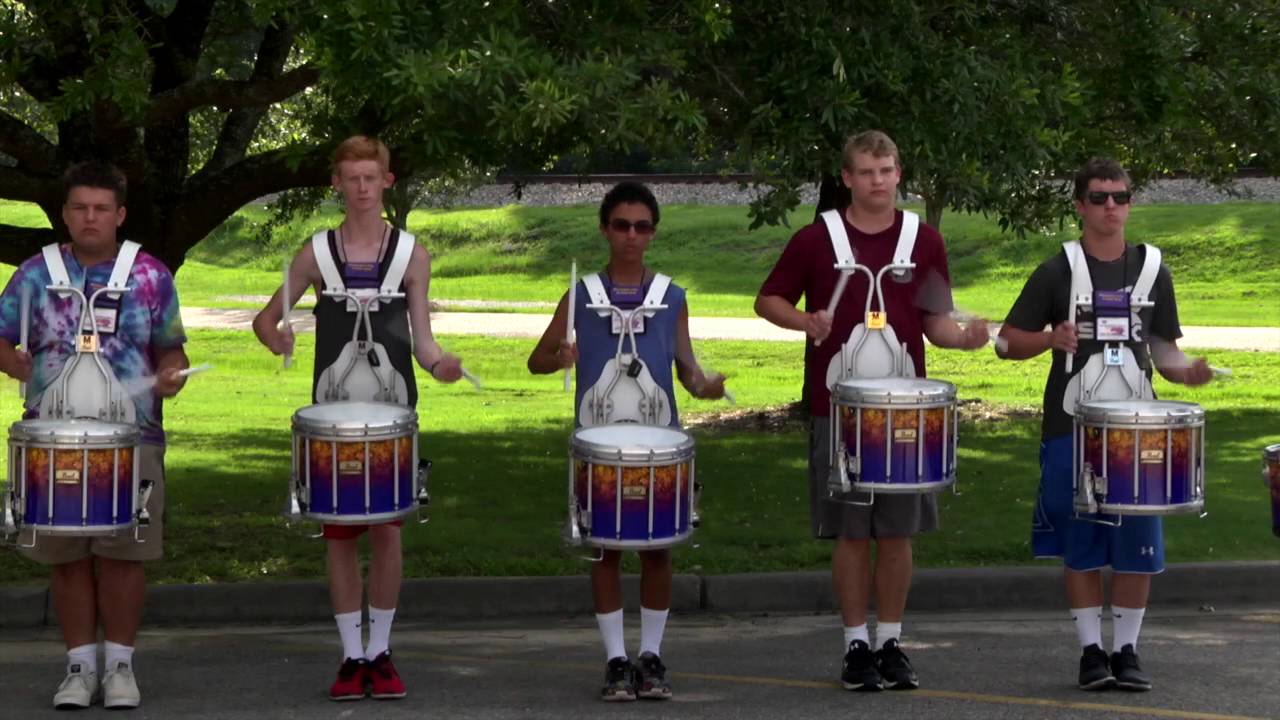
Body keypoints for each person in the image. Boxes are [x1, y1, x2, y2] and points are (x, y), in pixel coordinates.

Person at [754, 131, 988, 692]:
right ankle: (855, 644)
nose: (877, 181)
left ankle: (891, 642)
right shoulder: (817, 239)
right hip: (838, 411)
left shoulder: (923, 240)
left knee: (899, 534)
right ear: (847, 178)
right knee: (851, 534)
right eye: (865, 171)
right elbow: (768, 299)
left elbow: (934, 320)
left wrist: (963, 339)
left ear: (899, 174)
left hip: (905, 414)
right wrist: (804, 321)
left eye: (886, 170)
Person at [253, 135, 462, 701]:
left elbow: (424, 342)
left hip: (393, 414)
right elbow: (266, 319)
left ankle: (382, 651)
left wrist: (441, 365)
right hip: (333, 417)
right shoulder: (316, 253)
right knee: (339, 535)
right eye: (353, 178)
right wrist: (276, 339)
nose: (363, 188)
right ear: (337, 183)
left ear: (387, 181)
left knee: (388, 532)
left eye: (372, 177)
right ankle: (351, 656)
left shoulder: (412, 255)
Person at [996, 157, 1211, 692]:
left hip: (1138, 430)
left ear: (1130, 203)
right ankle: (1091, 651)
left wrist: (1188, 372)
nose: (1111, 206)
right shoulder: (1057, 271)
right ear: (1080, 205)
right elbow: (1005, 343)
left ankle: (1128, 651)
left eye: (1120, 196)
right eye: (1099, 197)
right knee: (1082, 540)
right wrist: (1049, 338)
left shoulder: (1153, 269)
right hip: (1071, 425)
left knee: (1137, 539)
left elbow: (1164, 351)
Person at [0, 161, 190, 709]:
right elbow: (0, 337)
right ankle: (80, 669)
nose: (90, 218)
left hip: (133, 437)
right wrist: (13, 363)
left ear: (120, 214)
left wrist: (172, 373)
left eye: (101, 209)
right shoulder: (34, 274)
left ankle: (121, 668)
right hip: (52, 440)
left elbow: (172, 349)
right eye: (80, 208)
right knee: (66, 556)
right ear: (64, 213)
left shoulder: (150, 275)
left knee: (124, 553)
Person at [527, 181, 725, 701]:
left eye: (641, 226)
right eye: (621, 225)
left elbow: (687, 368)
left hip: (659, 445)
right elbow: (536, 360)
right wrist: (559, 357)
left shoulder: (671, 297)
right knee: (604, 551)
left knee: (657, 552)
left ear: (653, 233)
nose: (631, 235)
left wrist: (705, 386)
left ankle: (651, 655)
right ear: (604, 229)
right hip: (598, 443)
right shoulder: (581, 296)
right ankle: (616, 659)